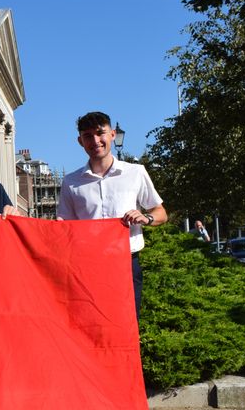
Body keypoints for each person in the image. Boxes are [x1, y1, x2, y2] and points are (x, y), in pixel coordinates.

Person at [57, 111, 166, 318]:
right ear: (80, 141)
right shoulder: (71, 182)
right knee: (90, 325)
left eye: (100, 133)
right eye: (88, 136)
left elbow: (160, 212)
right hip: (87, 268)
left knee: (128, 325)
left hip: (126, 264)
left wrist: (147, 218)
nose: (95, 140)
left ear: (113, 134)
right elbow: (64, 225)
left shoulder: (135, 172)